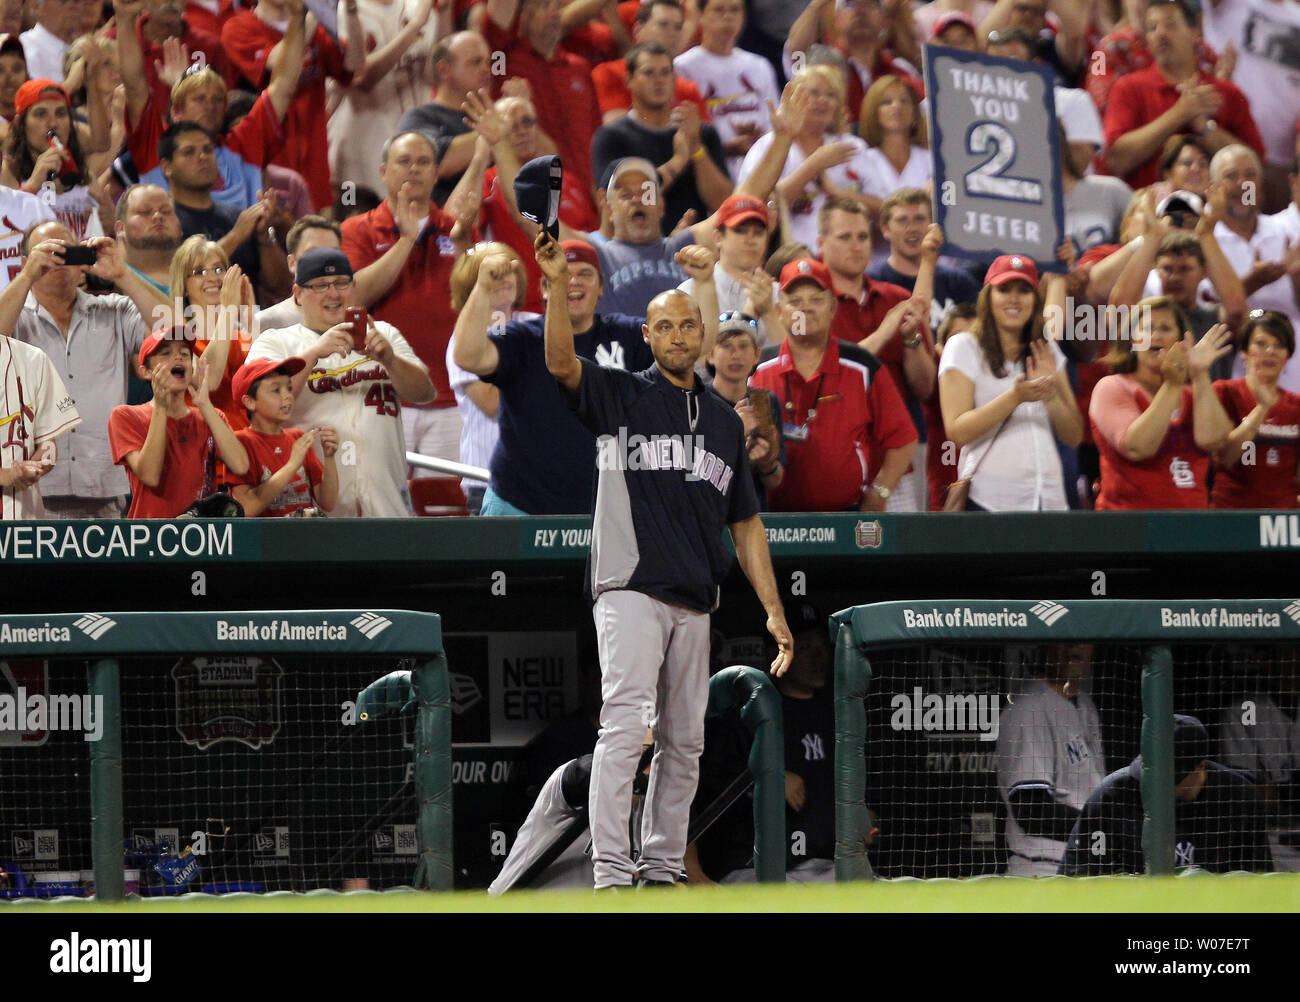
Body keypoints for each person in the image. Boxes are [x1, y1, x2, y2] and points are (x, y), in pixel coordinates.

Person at [538, 227, 792, 889]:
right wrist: (554, 290)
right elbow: (563, 365)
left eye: (689, 325)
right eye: (665, 327)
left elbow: (747, 523)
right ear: (647, 336)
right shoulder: (622, 395)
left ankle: (658, 867)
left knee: (687, 742)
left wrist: (772, 610)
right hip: (629, 587)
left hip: (696, 597)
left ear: (703, 335)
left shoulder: (724, 422)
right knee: (625, 728)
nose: (679, 336)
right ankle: (611, 871)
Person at [245, 248, 435, 516]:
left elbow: (424, 393)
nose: (333, 294)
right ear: (298, 294)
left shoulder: (384, 334)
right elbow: (258, 405)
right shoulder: (276, 342)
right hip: (309, 513)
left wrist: (390, 360)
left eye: (342, 283)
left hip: (387, 506)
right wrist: (312, 354)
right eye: (320, 286)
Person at [1, 222, 161, 519]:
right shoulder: (15, 316)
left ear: (83, 260)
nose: (59, 259)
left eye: (68, 251)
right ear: (26, 262)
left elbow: (176, 331)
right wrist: (26, 277)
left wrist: (123, 273)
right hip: (31, 487)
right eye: (48, 252)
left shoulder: (114, 309)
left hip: (105, 483)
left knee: (105, 569)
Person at [342, 127, 481, 468]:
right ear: (383, 171)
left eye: (423, 162)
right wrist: (406, 240)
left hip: (452, 398)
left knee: (445, 511)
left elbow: (478, 304)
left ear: (436, 174)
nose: (414, 169)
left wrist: (464, 245)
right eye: (404, 161)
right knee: (386, 508)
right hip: (380, 394)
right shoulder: (356, 229)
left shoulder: (458, 228)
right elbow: (354, 295)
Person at [750, 257, 918, 512]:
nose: (805, 309)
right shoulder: (757, 369)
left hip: (848, 518)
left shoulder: (863, 366)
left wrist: (881, 491)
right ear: (779, 311)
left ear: (832, 308)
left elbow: (904, 439)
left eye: (816, 300)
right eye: (795, 301)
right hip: (775, 521)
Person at [685, 602, 834, 884]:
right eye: (804, 647)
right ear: (775, 655)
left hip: (824, 865)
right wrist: (764, 783)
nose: (818, 656)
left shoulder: (836, 713)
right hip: (751, 867)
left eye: (821, 646)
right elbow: (706, 789)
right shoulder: (745, 712)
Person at [115, 0, 305, 214]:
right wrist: (124, 19)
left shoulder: (242, 145)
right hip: (173, 245)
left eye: (217, 100)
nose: (210, 106)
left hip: (242, 246)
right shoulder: (154, 145)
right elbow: (134, 86)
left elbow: (284, 85)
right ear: (175, 111)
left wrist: (298, 18)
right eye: (200, 99)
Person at [938, 254, 1084, 511]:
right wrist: (1015, 397)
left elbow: (1073, 436)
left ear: (1035, 298)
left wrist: (1049, 394)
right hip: (989, 501)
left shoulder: (1046, 348)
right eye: (1004, 289)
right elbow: (957, 432)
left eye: (1024, 290)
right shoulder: (964, 345)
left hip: (1049, 500)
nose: (1014, 298)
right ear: (988, 297)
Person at [818, 196, 932, 511]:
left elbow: (924, 388)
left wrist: (911, 341)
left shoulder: (897, 298)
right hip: (831, 460)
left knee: (905, 555)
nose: (856, 246)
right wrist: (886, 330)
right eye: (845, 237)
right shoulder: (812, 305)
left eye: (863, 237)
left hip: (896, 462)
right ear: (821, 243)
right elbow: (833, 372)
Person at [1060, 714, 1273, 875]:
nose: (1154, 787)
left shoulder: (1239, 798)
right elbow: (1076, 877)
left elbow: (1257, 882)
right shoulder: (1110, 798)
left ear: (1201, 766)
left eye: (1167, 781)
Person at [1089, 296, 1235, 509]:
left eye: (1165, 328)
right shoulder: (1112, 387)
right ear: (1132, 340)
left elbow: (1215, 442)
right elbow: (1138, 447)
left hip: (1191, 527)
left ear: (1182, 340)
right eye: (1147, 328)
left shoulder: (1195, 393)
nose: (1155, 335)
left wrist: (1200, 373)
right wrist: (1172, 383)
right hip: (1129, 528)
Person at [1102, 0, 1263, 191]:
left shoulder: (1227, 93)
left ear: (1196, 32)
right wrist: (1180, 113)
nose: (1160, 33)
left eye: (1170, 24)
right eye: (1152, 28)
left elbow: (1255, 167)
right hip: (1148, 214)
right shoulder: (1128, 88)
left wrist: (1206, 128)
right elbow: (1116, 160)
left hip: (1216, 214)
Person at [221, 0, 364, 210]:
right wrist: (316, 13)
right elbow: (280, 63)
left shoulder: (314, 28)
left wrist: (350, 10)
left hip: (314, 159)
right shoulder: (238, 27)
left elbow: (356, 65)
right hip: (270, 160)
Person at [108, 325, 251, 518]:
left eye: (185, 353)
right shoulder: (125, 416)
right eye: (166, 353)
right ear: (146, 372)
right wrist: (160, 406)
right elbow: (149, 475)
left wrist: (206, 405)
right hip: (150, 536)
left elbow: (241, 465)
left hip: (202, 535)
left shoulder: (210, 416)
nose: (178, 357)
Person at [591, 42, 730, 238]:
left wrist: (697, 148)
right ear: (629, 80)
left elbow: (722, 204)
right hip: (636, 251)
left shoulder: (701, 133)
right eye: (649, 73)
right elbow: (614, 205)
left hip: (695, 248)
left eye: (665, 73)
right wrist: (678, 161)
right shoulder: (611, 137)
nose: (659, 81)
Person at [482, 0, 603, 220]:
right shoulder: (504, 60)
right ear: (524, 16)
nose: (554, 13)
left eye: (557, 7)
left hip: (583, 197)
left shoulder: (580, 67)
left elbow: (595, 139)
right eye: (544, 6)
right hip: (533, 195)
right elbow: (496, 19)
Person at [997, 643, 1106, 876]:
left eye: (1082, 642)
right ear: (1045, 647)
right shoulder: (1029, 709)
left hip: (1082, 863)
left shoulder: (1085, 705)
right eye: (1062, 640)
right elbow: (1031, 810)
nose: (1073, 649)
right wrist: (1103, 826)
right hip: (1042, 869)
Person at [738, 63, 872, 252]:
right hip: (786, 256)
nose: (823, 100)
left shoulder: (852, 146)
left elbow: (885, 207)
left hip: (847, 257)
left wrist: (838, 194)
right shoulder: (770, 145)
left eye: (831, 95)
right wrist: (814, 164)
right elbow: (757, 204)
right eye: (815, 93)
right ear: (794, 98)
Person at [445, 241, 537, 513]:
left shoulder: (537, 324)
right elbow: (492, 403)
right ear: (472, 286)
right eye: (492, 274)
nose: (504, 279)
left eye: (507, 271)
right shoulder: (464, 339)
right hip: (488, 480)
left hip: (542, 479)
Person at [159, 121, 289, 304]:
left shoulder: (237, 216)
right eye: (189, 152)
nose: (202, 156)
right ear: (167, 167)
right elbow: (174, 283)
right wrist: (235, 237)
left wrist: (263, 235)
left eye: (208, 150)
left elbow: (281, 287)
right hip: (192, 327)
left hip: (246, 326)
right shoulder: (164, 221)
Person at [328, 0, 441, 201]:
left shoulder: (418, 6)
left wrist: (445, 13)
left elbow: (436, 75)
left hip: (415, 136)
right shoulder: (345, 11)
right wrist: (415, 26)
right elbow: (362, 78)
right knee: (358, 221)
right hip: (363, 144)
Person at [1211, 145, 1300, 390]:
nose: (1242, 184)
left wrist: (1296, 280)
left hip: (1294, 369)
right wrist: (1251, 284)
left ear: (1261, 187)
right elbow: (1204, 314)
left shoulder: (1288, 231)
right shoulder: (1205, 242)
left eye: (1250, 175)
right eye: (1230, 176)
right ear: (1213, 188)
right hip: (1233, 371)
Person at [672, 0, 780, 179]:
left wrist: (758, 138)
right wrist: (724, 147)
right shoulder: (683, 67)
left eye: (735, 10)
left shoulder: (759, 65)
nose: (728, 17)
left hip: (758, 167)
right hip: (709, 170)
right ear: (700, 15)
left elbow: (773, 122)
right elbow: (683, 130)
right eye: (719, 9)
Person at [223, 355, 339, 516]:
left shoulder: (297, 437)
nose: (287, 396)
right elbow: (246, 509)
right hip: (264, 539)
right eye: (276, 390)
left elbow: (328, 502)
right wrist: (292, 465)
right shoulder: (240, 442)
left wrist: (330, 457)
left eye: (289, 388)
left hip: (304, 537)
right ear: (250, 402)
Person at [783, 0, 924, 129]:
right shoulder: (821, 65)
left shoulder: (901, 69)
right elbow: (796, 54)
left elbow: (925, 115)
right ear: (835, 19)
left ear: (885, 21)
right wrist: (816, 6)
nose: (860, 11)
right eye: (850, 4)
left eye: (872, 4)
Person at [1211, 310, 1300, 509]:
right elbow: (1225, 457)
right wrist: (1263, 408)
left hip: (1282, 522)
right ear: (1244, 351)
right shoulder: (1224, 392)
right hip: (1232, 515)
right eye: (1261, 344)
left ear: (1287, 356)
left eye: (1279, 346)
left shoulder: (1297, 405)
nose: (1270, 351)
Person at [0, 78, 108, 239]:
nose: (53, 123)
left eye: (61, 113)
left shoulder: (85, 176)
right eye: (40, 114)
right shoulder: (10, 172)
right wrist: (32, 187)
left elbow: (110, 234)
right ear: (20, 124)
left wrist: (109, 219)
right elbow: (5, 234)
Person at [166, 235, 255, 429]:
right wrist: (229, 311)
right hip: (204, 444)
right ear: (184, 286)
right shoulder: (180, 340)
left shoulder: (242, 336)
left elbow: (264, 387)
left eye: (218, 269)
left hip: (247, 443)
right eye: (199, 272)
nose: (212, 278)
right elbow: (209, 381)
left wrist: (251, 323)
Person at [396, 30, 494, 207]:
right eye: (476, 62)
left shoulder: (492, 116)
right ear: (444, 70)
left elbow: (547, 155)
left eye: (488, 62)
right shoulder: (420, 117)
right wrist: (497, 132)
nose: (486, 69)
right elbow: (437, 162)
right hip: (444, 225)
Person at [870, 190, 980, 334]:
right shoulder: (873, 283)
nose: (912, 228)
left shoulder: (958, 281)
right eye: (902, 220)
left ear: (933, 225)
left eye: (920, 219)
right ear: (885, 229)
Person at [704, 311, 783, 508]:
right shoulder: (697, 402)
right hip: (709, 517)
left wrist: (767, 463)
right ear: (710, 355)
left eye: (743, 346)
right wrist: (734, 431)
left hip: (755, 516)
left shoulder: (765, 402)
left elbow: (774, 482)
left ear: (757, 355)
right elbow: (692, 476)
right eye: (726, 346)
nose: (736, 354)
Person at [0, 323, 79, 518]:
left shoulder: (33, 359)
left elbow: (49, 447)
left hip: (22, 518)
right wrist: (5, 476)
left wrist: (36, 467)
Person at [677, 193, 777, 348]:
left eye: (758, 233)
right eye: (740, 231)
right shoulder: (688, 292)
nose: (750, 240)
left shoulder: (779, 294)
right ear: (718, 237)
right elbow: (697, 362)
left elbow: (793, 361)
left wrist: (770, 313)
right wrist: (749, 315)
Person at [1087, 0, 1223, 112]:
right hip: (1133, 131)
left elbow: (1221, 96)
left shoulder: (1197, 47)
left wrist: (1222, 81)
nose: (1142, 5)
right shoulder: (1107, 49)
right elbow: (1099, 104)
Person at [591, 0, 708, 124]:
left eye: (678, 28)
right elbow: (615, 129)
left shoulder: (687, 88)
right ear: (638, 29)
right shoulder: (609, 72)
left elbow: (707, 137)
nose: (672, 33)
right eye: (663, 24)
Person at [924, 303, 976, 510]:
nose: (965, 351)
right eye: (956, 341)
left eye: (975, 341)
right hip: (943, 510)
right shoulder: (934, 384)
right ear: (940, 350)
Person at [856, 74, 931, 217]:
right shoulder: (862, 159)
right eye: (886, 102)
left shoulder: (931, 161)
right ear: (874, 112)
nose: (896, 106)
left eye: (904, 101)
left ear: (915, 113)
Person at [114, 182, 182, 298]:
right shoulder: (105, 280)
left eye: (166, 211)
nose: (158, 216)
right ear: (121, 228)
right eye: (144, 212)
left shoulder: (202, 274)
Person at [20, 0, 84, 81]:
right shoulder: (24, 49)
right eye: (64, 1)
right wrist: (71, 83)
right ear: (36, 6)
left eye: (77, 1)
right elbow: (38, 94)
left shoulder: (87, 48)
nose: (73, 6)